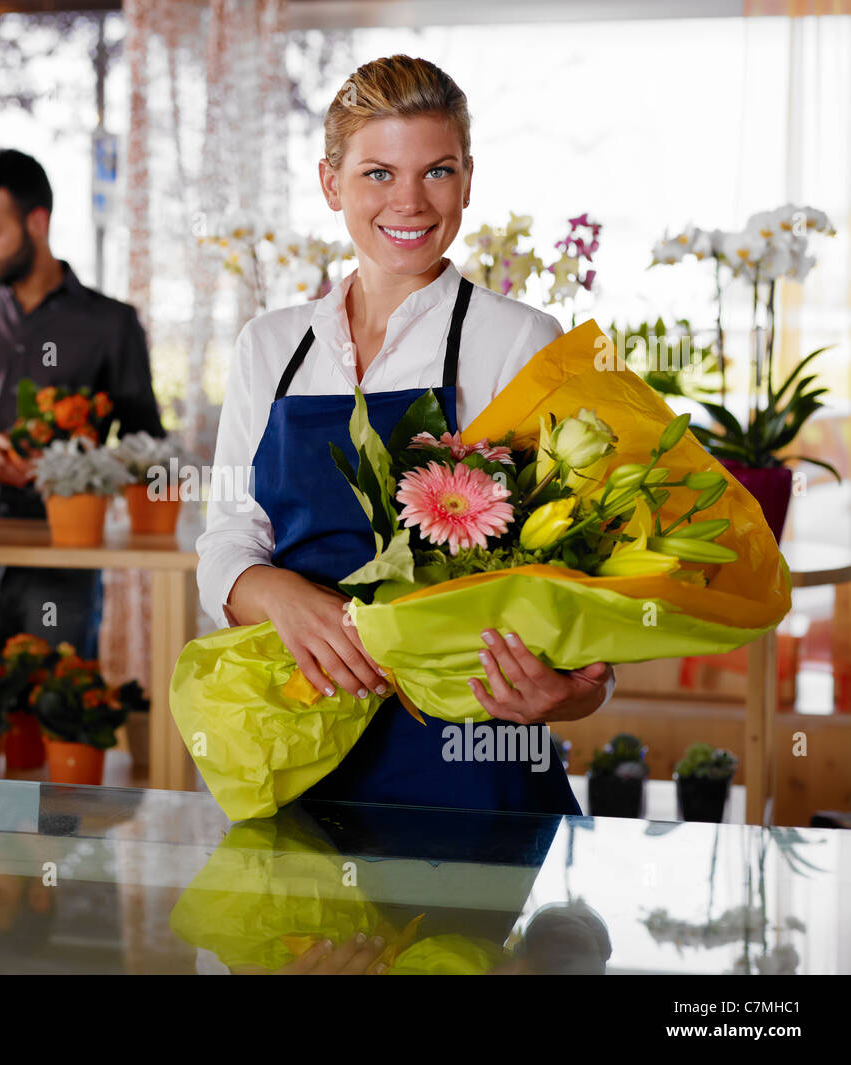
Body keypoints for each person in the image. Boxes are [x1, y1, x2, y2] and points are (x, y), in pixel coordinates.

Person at [195, 55, 615, 815]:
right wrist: (278, 594)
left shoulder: (521, 342)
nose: (411, 202)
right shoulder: (271, 345)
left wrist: (568, 694)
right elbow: (227, 535)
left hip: (472, 763)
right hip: (300, 747)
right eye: (378, 173)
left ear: (468, 179)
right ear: (332, 184)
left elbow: (588, 574)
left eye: (439, 171)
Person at [0, 149, 165, 723]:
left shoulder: (110, 324)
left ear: (37, 223)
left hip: (64, 567)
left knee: (61, 730)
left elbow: (150, 449)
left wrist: (72, 468)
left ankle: (55, 819)